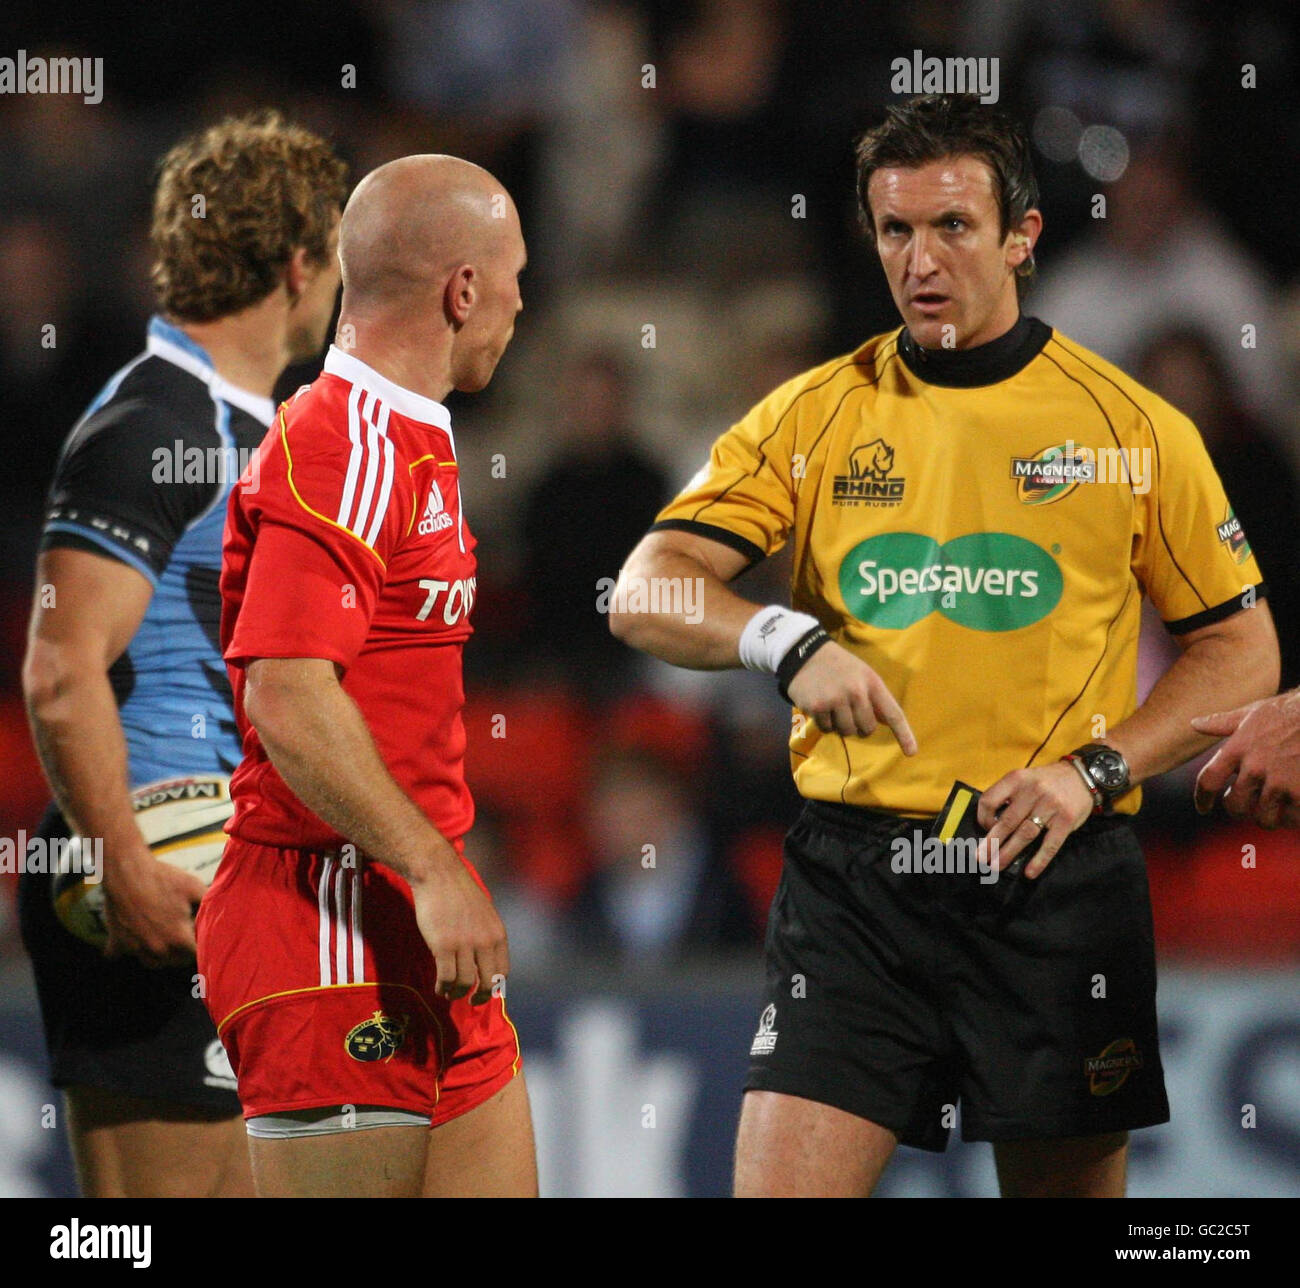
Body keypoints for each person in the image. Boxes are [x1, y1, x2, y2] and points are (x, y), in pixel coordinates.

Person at [610, 94, 1279, 1198]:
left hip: (1053, 878)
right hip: (855, 889)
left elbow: (1240, 652)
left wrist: (1093, 772)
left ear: (1022, 236)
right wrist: (779, 639)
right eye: (894, 231)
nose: (920, 260)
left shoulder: (1132, 429)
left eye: (952, 227)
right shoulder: (813, 415)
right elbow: (644, 589)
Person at [19, 111, 347, 1197]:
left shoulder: (250, 429)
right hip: (162, 868)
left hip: (231, 879)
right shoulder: (157, 422)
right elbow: (62, 667)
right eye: (337, 253)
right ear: (299, 266)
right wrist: (119, 859)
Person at [196, 155, 537, 1198]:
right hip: (326, 912)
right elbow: (287, 693)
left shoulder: (408, 439)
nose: (526, 298)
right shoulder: (342, 441)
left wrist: (434, 877)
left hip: (415, 917)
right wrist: (433, 872)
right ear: (463, 288)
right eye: (516, 271)